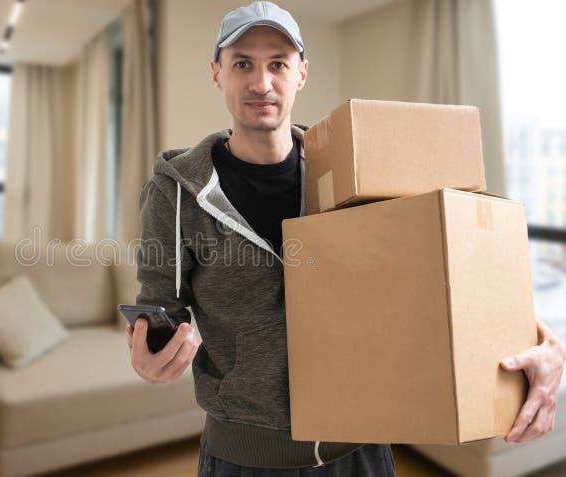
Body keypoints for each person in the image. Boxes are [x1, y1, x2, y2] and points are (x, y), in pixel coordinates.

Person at [125, 2, 566, 475]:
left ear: (302, 73)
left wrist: (542, 341)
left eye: (278, 63)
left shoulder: (353, 169)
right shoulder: (174, 194)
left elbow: (446, 265)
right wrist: (150, 360)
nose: (261, 83)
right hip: (244, 458)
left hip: (362, 452)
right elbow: (160, 311)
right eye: (242, 64)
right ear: (217, 73)